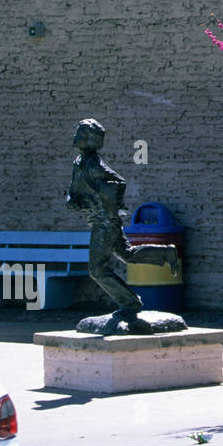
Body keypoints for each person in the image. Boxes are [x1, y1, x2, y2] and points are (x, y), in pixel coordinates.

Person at [66, 118, 179, 315]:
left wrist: (104, 205)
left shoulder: (95, 166)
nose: (76, 136)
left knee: (97, 270)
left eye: (81, 133)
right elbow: (73, 190)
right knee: (127, 254)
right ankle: (165, 253)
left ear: (90, 139)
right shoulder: (79, 163)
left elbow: (118, 183)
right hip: (99, 220)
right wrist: (71, 199)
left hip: (104, 223)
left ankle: (130, 303)